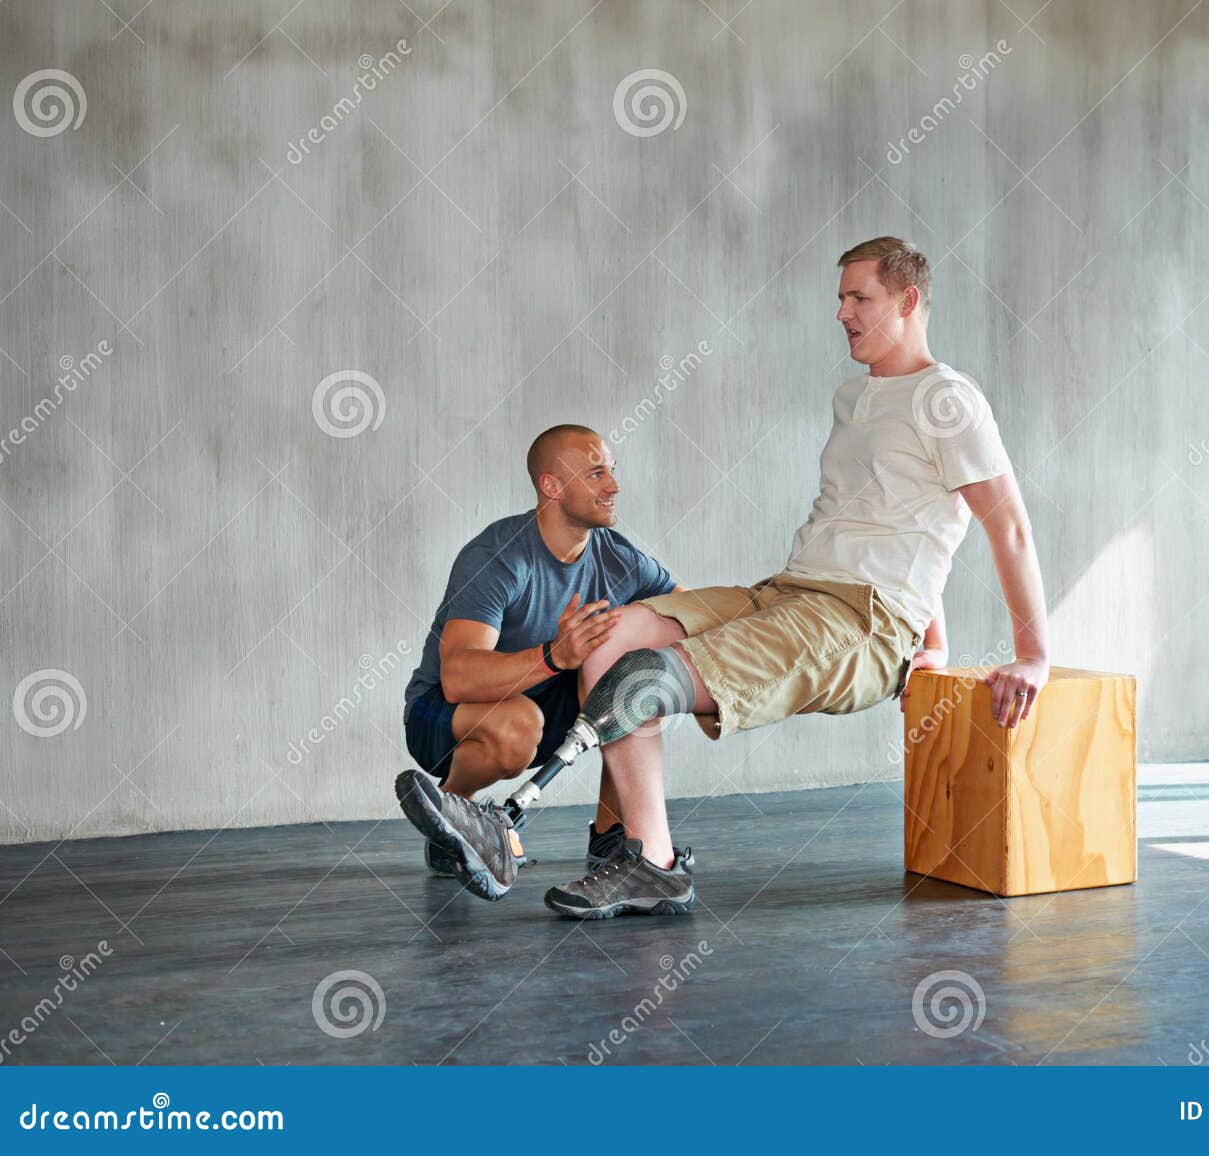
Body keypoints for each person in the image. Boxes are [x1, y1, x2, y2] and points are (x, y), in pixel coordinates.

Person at [404, 236, 1050, 919]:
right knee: (607, 639)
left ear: (909, 300)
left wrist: (1032, 655)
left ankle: (641, 861)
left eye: (860, 298)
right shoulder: (854, 397)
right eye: (840, 298)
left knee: (645, 677)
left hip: (857, 622)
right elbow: (906, 521)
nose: (842, 313)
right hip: (790, 591)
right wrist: (936, 639)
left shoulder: (947, 399)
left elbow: (1003, 524)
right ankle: (622, 846)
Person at [396, 425, 681, 899]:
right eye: (596, 473)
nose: (613, 485)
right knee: (518, 724)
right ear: (552, 487)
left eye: (612, 470)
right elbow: (457, 677)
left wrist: (770, 606)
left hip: (542, 707)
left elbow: (697, 609)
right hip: (442, 715)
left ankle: (613, 838)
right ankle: (454, 814)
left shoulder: (619, 558)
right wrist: (555, 655)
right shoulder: (499, 556)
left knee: (631, 675)